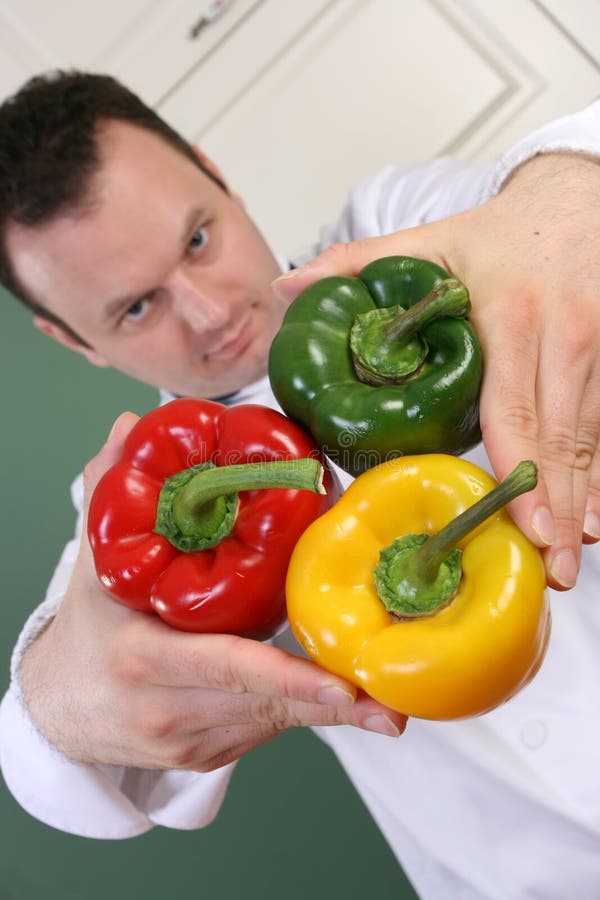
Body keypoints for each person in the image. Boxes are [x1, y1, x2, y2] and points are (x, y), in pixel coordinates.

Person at [0, 70, 599, 899]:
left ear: (216, 173)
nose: (208, 314)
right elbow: (56, 765)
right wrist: (57, 699)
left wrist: (566, 188)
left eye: (198, 240)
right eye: (134, 308)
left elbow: (566, 162)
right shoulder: (137, 507)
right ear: (74, 342)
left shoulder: (402, 235)